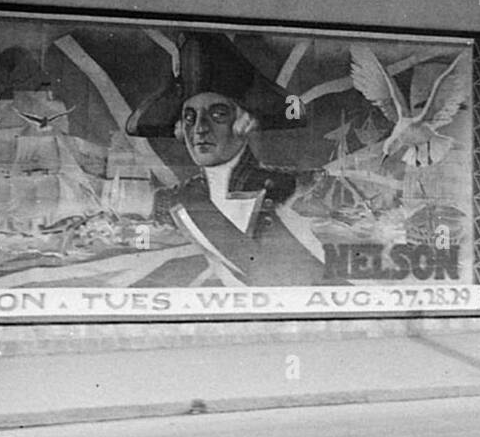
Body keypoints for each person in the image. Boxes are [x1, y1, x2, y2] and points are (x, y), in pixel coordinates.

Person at [125, 32, 335, 287]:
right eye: (190, 118)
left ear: (244, 123)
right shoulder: (178, 198)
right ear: (180, 129)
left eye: (217, 114)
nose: (200, 129)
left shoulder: (285, 186)